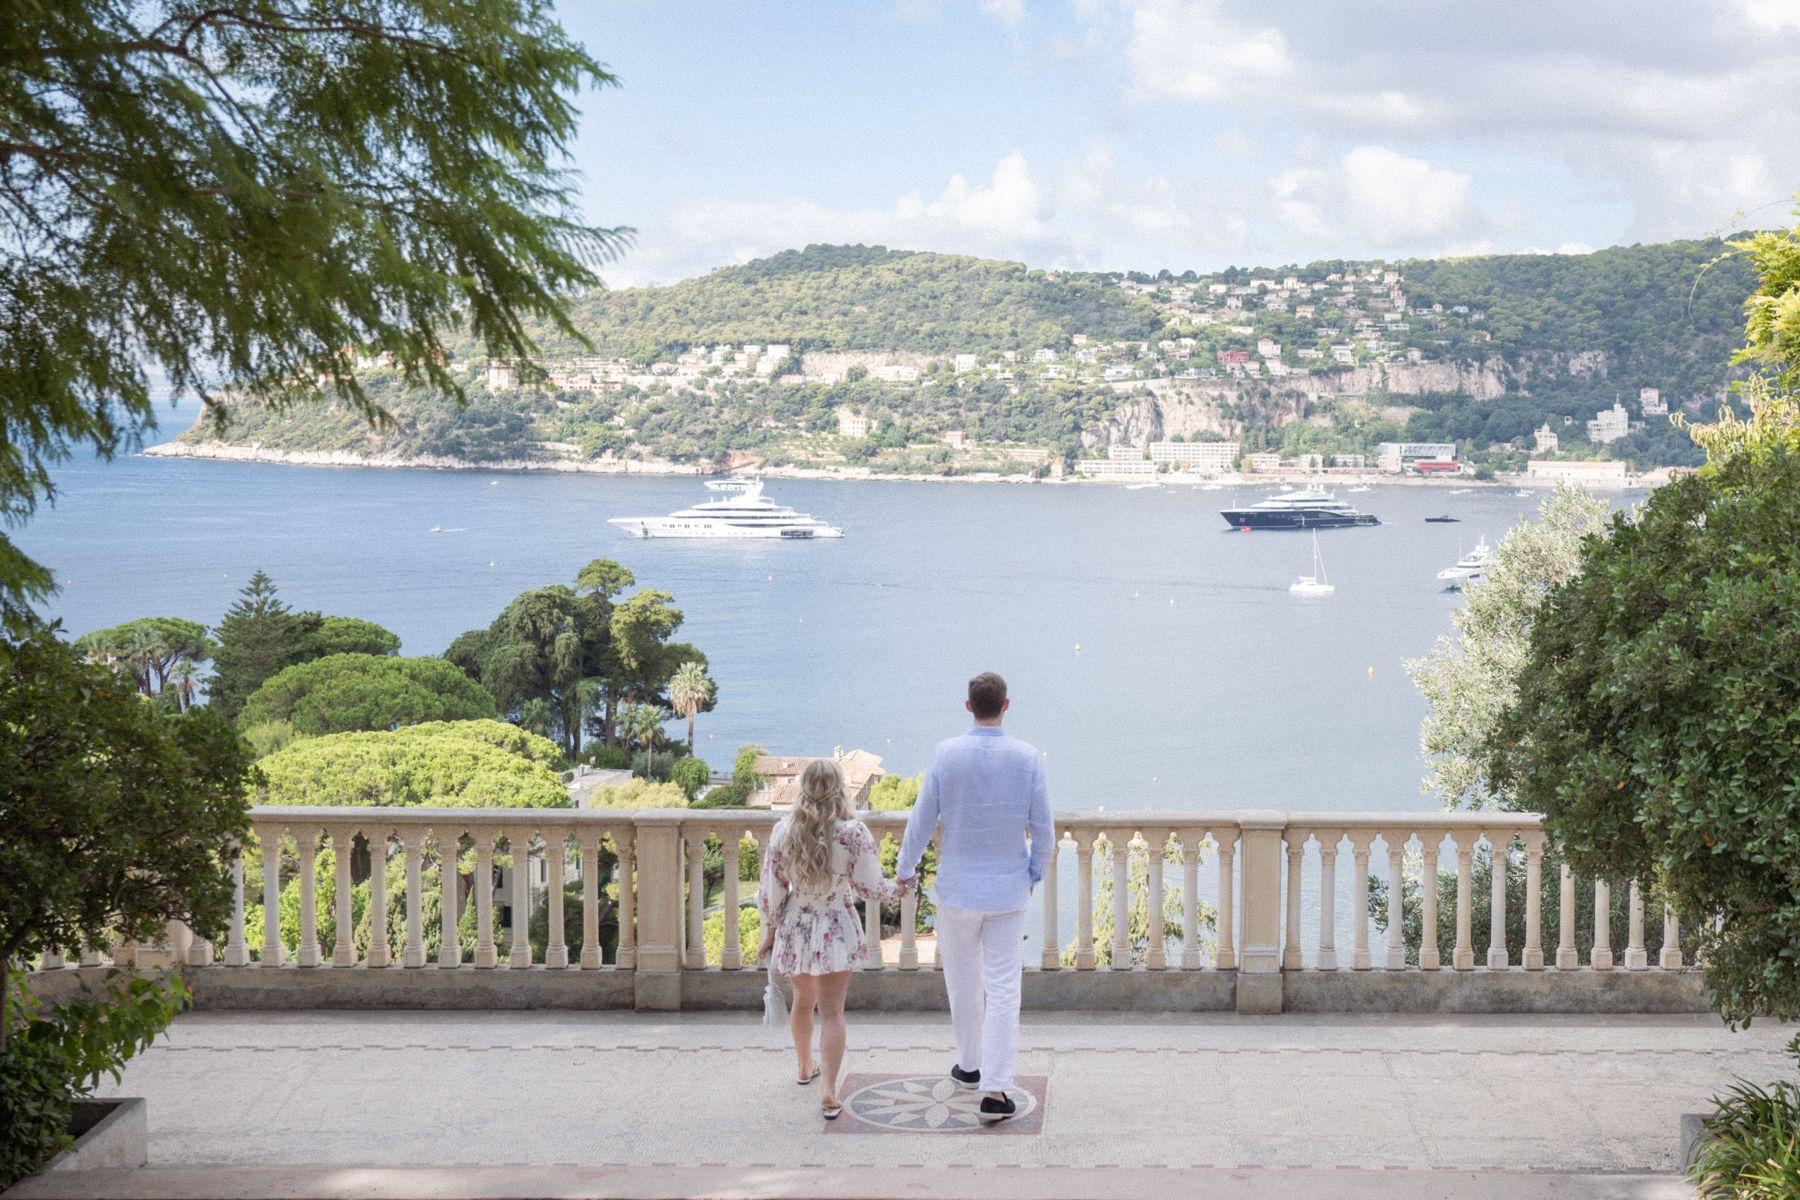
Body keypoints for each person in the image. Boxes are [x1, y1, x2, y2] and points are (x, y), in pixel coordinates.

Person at [896, 671, 1054, 1124]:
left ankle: (969, 1065)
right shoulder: (1027, 759)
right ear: (1006, 705)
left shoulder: (946, 755)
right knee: (1004, 989)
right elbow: (1043, 830)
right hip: (1007, 891)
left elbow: (921, 821)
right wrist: (1031, 873)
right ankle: (996, 1089)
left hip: (957, 891)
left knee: (963, 980)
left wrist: (905, 869)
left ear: (969, 706)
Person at [758, 758, 902, 1120]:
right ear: (840, 789)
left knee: (802, 1002)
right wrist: (900, 887)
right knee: (833, 1013)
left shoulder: (783, 831)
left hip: (796, 924)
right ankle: (828, 1091)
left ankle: (805, 1066)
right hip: (836, 922)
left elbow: (771, 891)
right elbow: (870, 887)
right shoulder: (853, 833)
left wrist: (770, 931)